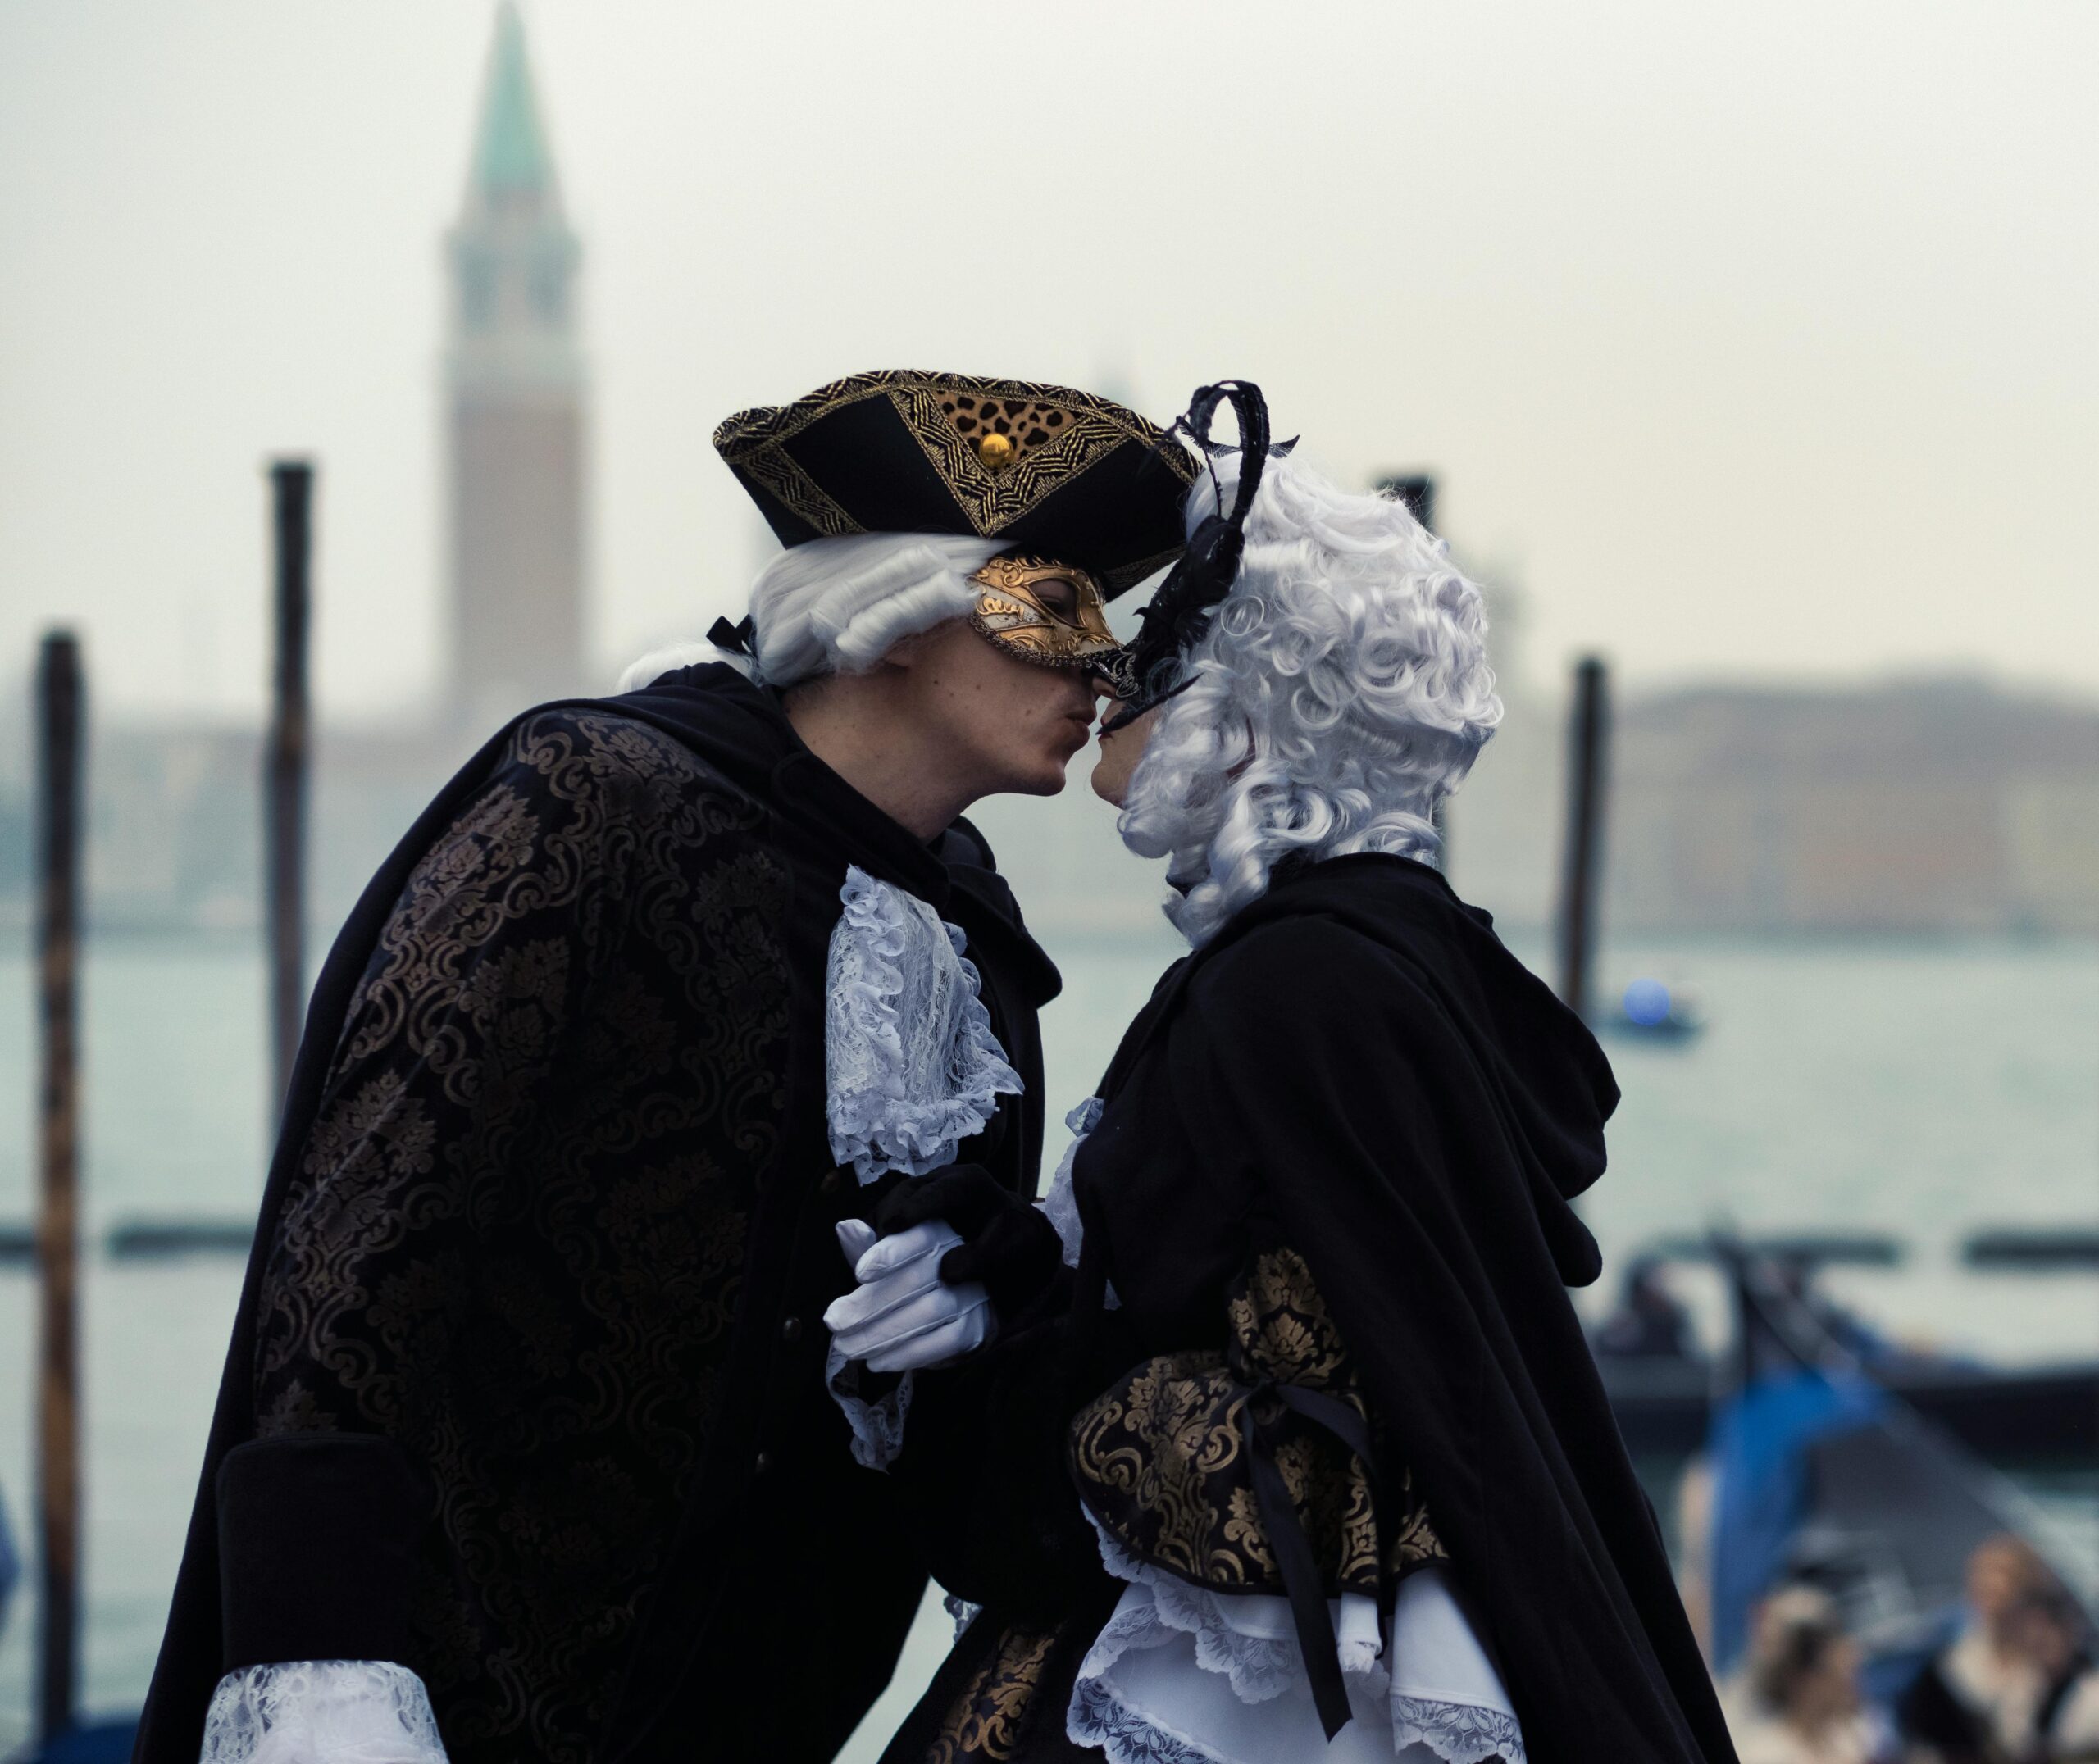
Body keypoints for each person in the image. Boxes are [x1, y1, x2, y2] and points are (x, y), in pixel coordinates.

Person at [131, 370, 1197, 1764]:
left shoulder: (974, 948)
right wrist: (322, 1655)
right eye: (1052, 612)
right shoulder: (594, 800)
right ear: (891, 618)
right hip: (457, 1689)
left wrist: (996, 1299)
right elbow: (369, 1225)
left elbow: (930, 1447)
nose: (1100, 670)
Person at [830, 384, 1738, 1764]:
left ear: (1252, 711)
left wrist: (995, 1306)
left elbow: (1147, 1321)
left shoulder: (1290, 986)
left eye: (1163, 654)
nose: (1112, 677)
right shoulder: (1397, 951)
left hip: (1270, 1669)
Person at [1727, 1587, 1892, 1764]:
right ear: (1805, 1678)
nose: (1854, 1686)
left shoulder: (1858, 1740)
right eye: (1843, 1675)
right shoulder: (1766, 1756)